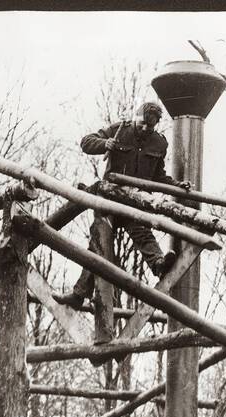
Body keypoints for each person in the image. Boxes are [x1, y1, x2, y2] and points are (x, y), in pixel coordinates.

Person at [67, 99, 191, 311]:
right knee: (99, 242)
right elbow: (86, 142)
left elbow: (157, 176)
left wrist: (177, 185)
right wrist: (104, 144)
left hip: (135, 201)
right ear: (135, 118)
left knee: (142, 233)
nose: (144, 128)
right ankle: (79, 294)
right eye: (142, 123)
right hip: (110, 198)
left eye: (149, 126)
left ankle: (159, 265)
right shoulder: (118, 130)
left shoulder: (159, 143)